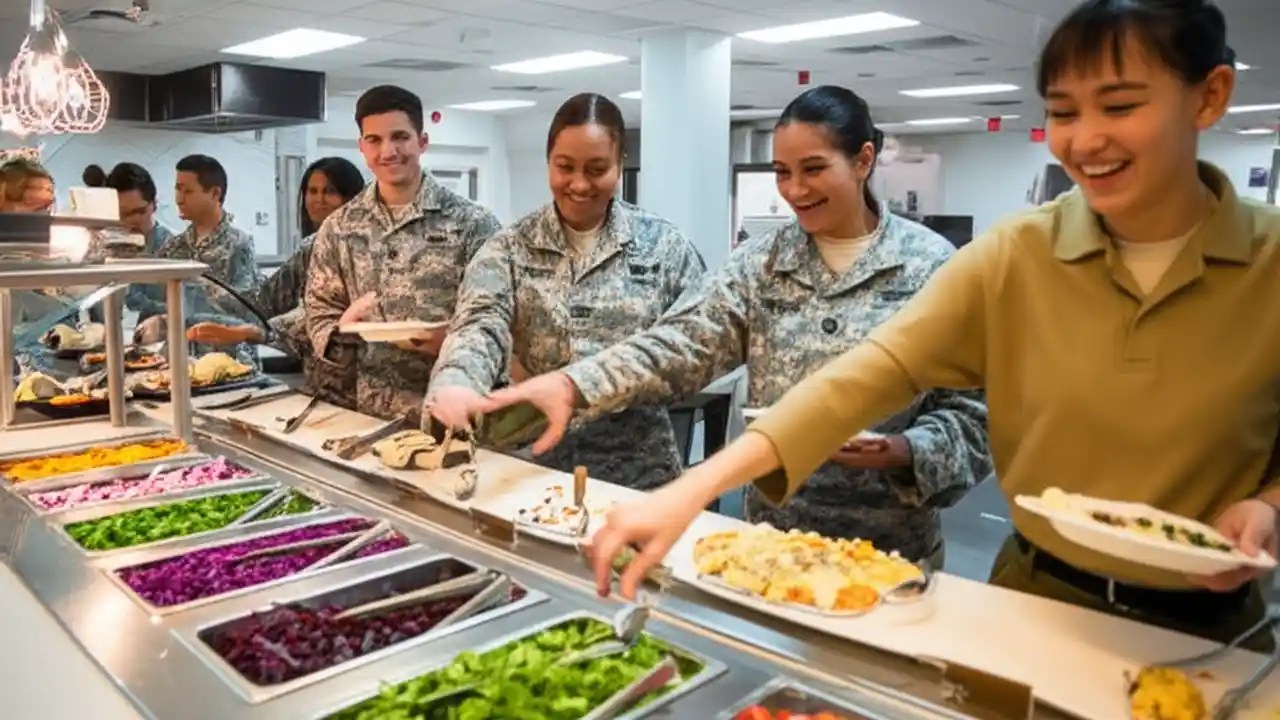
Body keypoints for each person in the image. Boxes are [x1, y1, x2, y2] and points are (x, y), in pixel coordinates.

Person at [586, 0, 1280, 650]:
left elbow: (966, 418)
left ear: (1210, 95)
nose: (1085, 139)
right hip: (1034, 596)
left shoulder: (1267, 264)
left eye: (1121, 105)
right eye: (1062, 112)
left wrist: (1270, 506)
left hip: (1211, 625)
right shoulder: (1019, 254)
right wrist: (690, 485)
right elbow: (868, 374)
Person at [474, 87, 989, 560]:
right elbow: (681, 341)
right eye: (782, 172)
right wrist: (573, 384)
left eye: (812, 169)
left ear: (863, 160)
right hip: (771, 544)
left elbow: (976, 413)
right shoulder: (760, 264)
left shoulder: (931, 265)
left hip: (891, 550)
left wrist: (903, 452)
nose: (794, 190)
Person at [427, 93, 706, 491]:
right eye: (565, 167)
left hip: (640, 472)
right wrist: (457, 382)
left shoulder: (663, 246)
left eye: (597, 169)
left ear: (620, 165)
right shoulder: (510, 248)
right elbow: (478, 325)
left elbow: (696, 344)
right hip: (536, 469)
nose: (579, 184)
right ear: (548, 164)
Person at [304, 85, 501, 425]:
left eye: (400, 137)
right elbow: (319, 312)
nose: (388, 151)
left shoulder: (473, 223)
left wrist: (453, 341)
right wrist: (343, 333)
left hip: (453, 411)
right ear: (362, 147)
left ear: (422, 141)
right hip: (371, 415)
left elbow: (500, 317)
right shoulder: (339, 227)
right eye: (374, 140)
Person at [186, 156, 365, 407]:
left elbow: (322, 314)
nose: (318, 199)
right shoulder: (308, 249)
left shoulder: (361, 249)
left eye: (330, 192)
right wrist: (194, 295)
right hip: (319, 384)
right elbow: (263, 302)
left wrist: (255, 333)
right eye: (312, 191)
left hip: (361, 382)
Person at [133, 155, 261, 359]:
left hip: (230, 362)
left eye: (188, 191)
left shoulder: (239, 244)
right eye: (177, 189)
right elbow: (155, 300)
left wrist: (180, 316)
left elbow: (245, 311)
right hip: (180, 361)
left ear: (215, 193)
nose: (179, 198)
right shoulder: (175, 246)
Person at [101, 163, 176, 313]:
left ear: (154, 205)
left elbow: (183, 310)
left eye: (139, 212)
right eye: (123, 214)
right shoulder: (102, 249)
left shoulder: (175, 250)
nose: (132, 220)